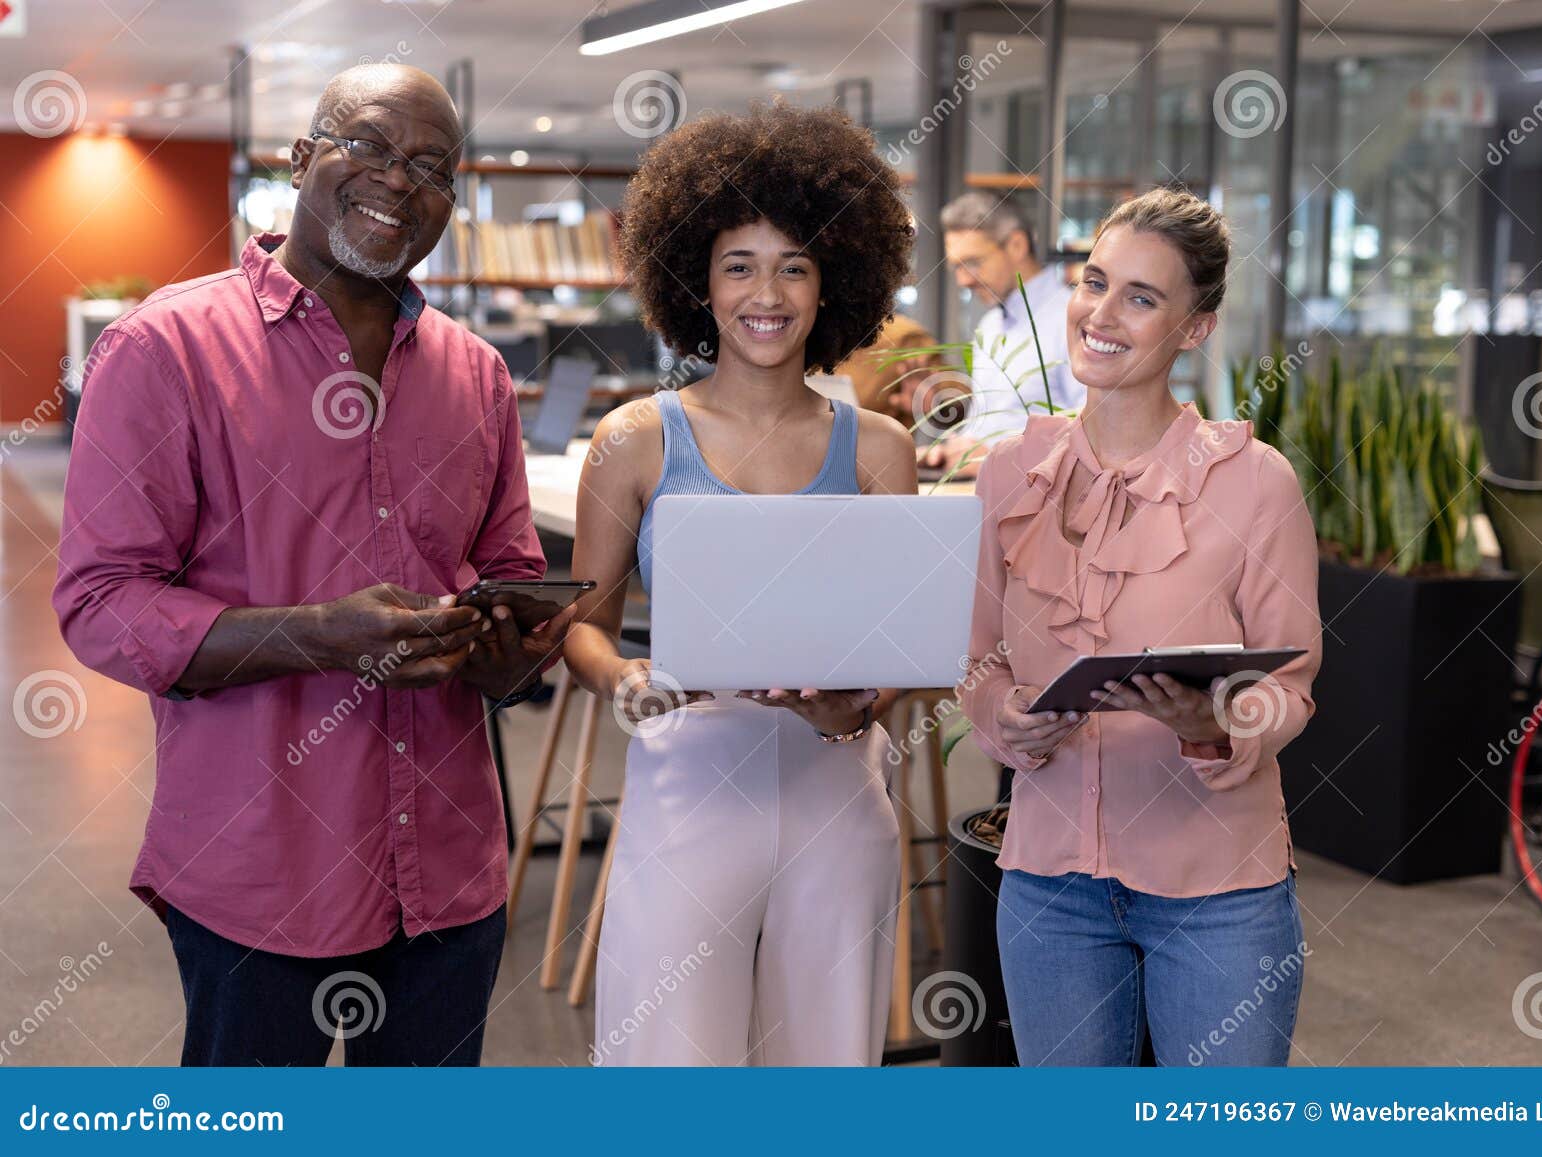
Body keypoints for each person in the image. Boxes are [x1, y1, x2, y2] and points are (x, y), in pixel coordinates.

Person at [52, 64, 574, 1066]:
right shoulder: (166, 348)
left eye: (431, 166)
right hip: (258, 867)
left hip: (449, 871)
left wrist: (509, 651)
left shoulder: (477, 375)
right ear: (299, 158)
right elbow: (100, 602)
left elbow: (508, 575)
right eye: (368, 144)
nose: (397, 180)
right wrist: (320, 633)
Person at [563, 101, 915, 1065]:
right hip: (688, 775)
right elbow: (582, 627)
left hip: (836, 784)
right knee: (668, 1063)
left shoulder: (880, 450)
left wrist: (855, 707)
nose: (769, 293)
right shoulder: (636, 439)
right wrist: (625, 682)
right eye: (739, 265)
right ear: (698, 282)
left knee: (830, 1061)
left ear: (831, 282)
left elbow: (902, 651)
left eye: (794, 265)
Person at [957, 187, 1321, 1066]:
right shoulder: (1010, 473)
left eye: (1141, 297)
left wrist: (1217, 721)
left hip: (1219, 892)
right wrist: (1003, 717)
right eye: (1093, 282)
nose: (1101, 314)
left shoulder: (1255, 483)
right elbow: (978, 662)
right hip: (1048, 885)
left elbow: (1294, 689)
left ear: (1194, 328)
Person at [922, 191, 1085, 477]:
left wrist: (997, 459)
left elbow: (1095, 429)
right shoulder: (989, 326)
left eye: (972, 263)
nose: (964, 280)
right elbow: (986, 427)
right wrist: (951, 450)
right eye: (956, 267)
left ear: (1017, 245)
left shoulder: (1075, 320)